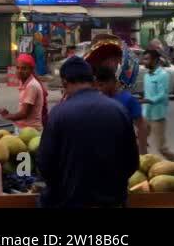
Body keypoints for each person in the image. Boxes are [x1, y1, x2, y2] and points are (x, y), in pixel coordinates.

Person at [38, 56, 139, 208]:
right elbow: (132, 162)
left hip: (71, 202)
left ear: (64, 82)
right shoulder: (119, 110)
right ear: (92, 79)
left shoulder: (58, 114)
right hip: (112, 202)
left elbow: (45, 165)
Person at [95, 66, 148, 155]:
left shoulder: (128, 99)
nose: (99, 89)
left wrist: (143, 153)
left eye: (101, 85)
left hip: (124, 151)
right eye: (97, 86)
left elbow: (141, 127)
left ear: (111, 81)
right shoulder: (99, 99)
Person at [142, 49, 174, 160]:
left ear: (156, 60)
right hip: (145, 114)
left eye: (147, 59)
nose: (144, 62)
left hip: (157, 116)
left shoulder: (163, 75)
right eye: (144, 59)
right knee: (140, 141)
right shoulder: (147, 75)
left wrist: (148, 100)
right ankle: (142, 165)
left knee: (161, 148)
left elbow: (163, 95)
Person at [0, 54, 48, 131]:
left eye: (24, 68)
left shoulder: (31, 86)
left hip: (30, 130)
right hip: (24, 128)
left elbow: (24, 114)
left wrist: (7, 116)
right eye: (18, 68)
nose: (20, 71)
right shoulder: (25, 82)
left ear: (31, 69)